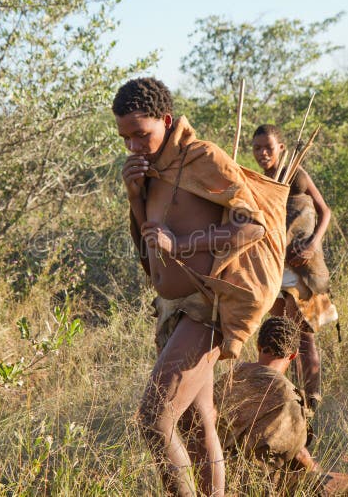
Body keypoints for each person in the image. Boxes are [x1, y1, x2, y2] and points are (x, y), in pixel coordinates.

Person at [115, 78, 287, 496]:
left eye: (142, 134)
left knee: (154, 419)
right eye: (126, 138)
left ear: (167, 120)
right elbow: (148, 242)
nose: (135, 146)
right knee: (198, 421)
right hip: (172, 309)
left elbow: (253, 227)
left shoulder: (203, 157)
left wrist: (186, 244)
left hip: (207, 306)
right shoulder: (149, 169)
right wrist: (135, 195)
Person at [215, 316, 348, 496]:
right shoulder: (287, 395)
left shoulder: (229, 377)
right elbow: (298, 455)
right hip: (263, 485)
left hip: (217, 478)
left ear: (259, 346)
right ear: (294, 355)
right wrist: (319, 475)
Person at [251, 124, 337, 412]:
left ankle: (312, 403)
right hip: (276, 267)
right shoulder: (261, 182)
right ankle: (282, 401)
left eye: (268, 148)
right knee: (279, 336)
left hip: (305, 269)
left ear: (282, 149)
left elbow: (325, 211)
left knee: (305, 337)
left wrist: (313, 243)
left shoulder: (296, 174)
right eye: (257, 148)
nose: (263, 153)